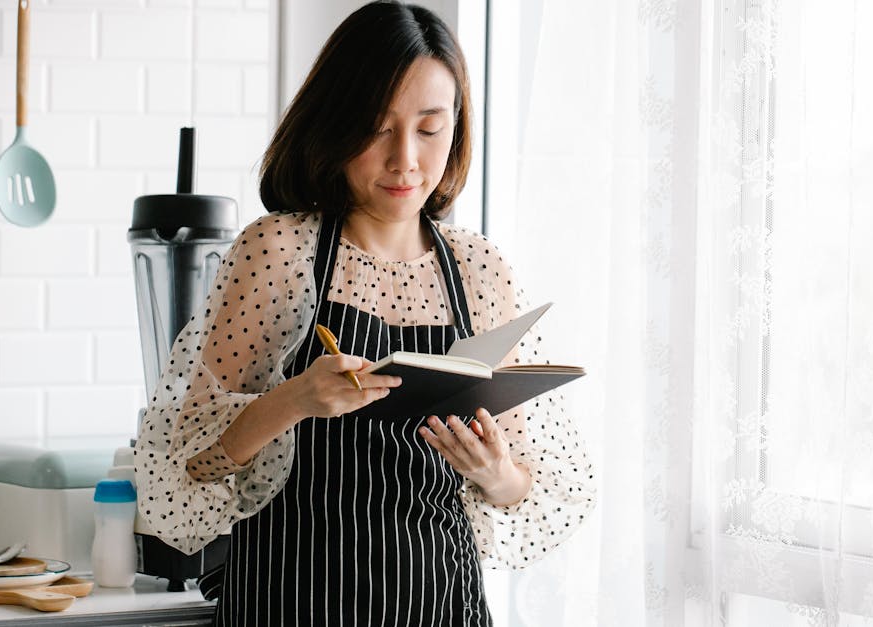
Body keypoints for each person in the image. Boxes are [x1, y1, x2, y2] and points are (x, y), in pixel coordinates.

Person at [135, 2, 595, 625]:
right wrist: (294, 400)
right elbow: (186, 470)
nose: (405, 158)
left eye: (430, 129)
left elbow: (522, 489)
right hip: (290, 603)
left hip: (442, 605)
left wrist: (494, 471)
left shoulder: (479, 269)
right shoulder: (277, 250)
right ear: (335, 127)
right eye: (379, 128)